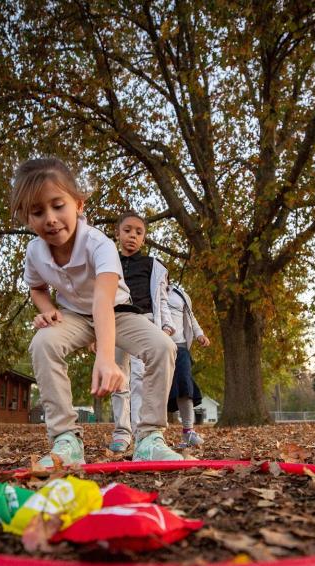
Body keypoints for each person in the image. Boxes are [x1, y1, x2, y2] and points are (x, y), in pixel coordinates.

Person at [11, 158, 183, 465]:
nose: (50, 219)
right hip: (73, 316)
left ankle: (149, 437)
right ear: (27, 218)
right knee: (43, 342)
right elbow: (36, 288)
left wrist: (105, 358)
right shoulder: (35, 252)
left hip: (117, 312)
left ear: (78, 204)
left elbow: (104, 302)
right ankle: (65, 439)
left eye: (57, 206)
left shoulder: (98, 244)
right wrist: (48, 309)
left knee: (163, 347)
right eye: (38, 212)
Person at [108, 212, 175, 453]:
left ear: (143, 239)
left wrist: (165, 325)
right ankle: (121, 432)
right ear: (117, 233)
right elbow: (98, 295)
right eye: (127, 230)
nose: (132, 236)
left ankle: (141, 433)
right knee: (117, 379)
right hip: (113, 322)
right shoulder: (108, 262)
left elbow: (162, 298)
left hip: (142, 322)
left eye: (138, 232)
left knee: (138, 379)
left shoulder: (151, 265)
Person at [165, 282, 211, 447]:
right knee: (158, 389)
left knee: (185, 385)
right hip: (158, 347)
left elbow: (190, 316)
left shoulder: (179, 294)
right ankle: (153, 434)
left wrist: (199, 334)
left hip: (181, 346)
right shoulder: (150, 292)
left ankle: (188, 432)